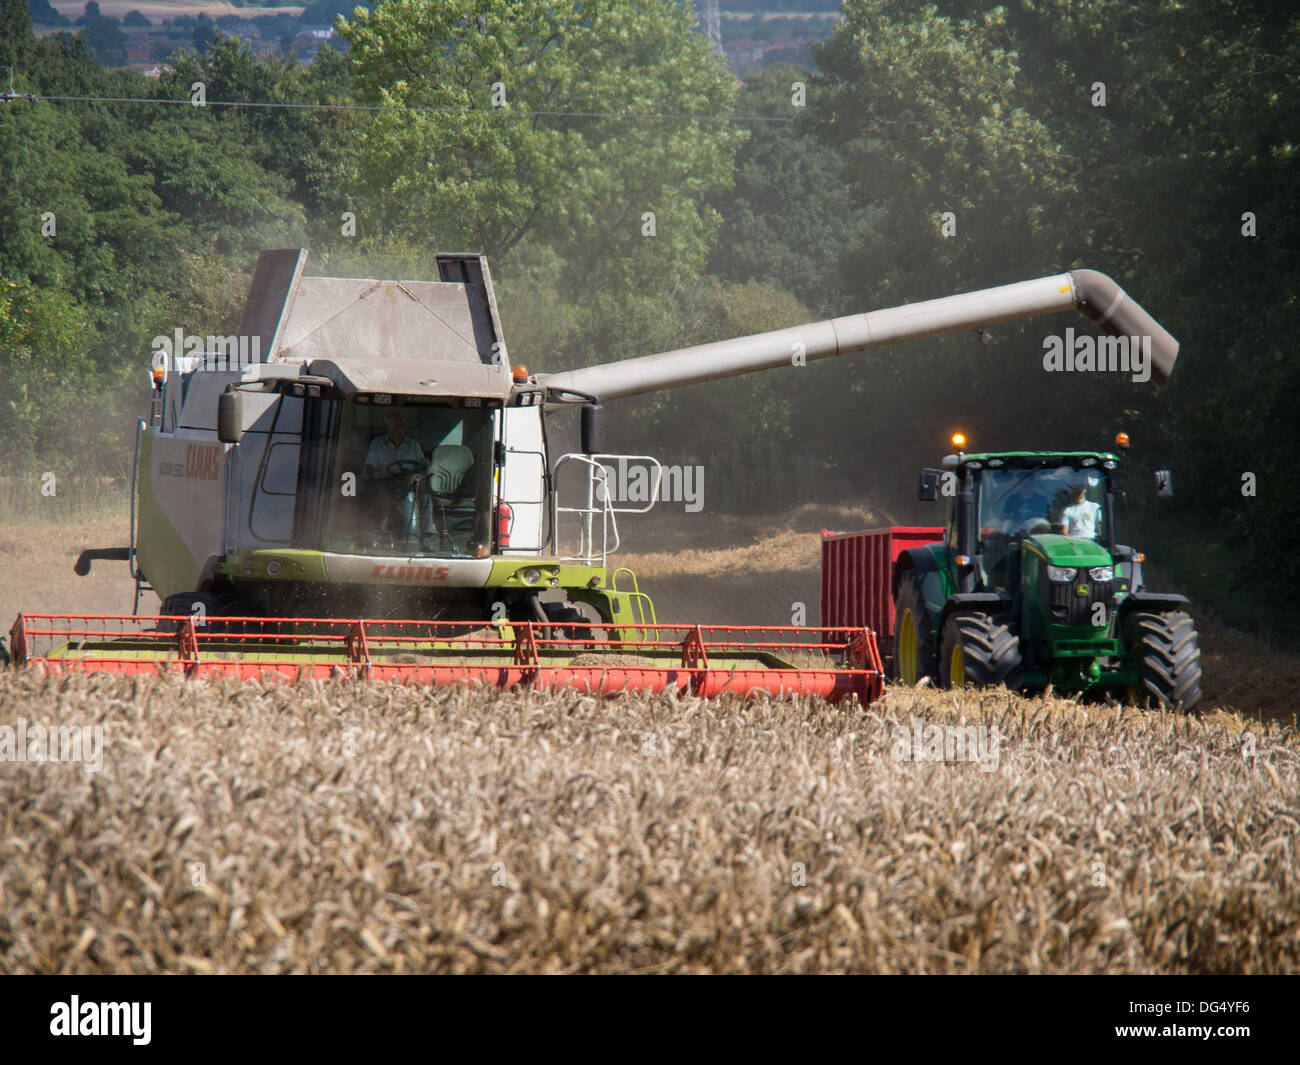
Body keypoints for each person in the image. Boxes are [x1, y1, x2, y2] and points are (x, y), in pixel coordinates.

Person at [364, 412, 431, 544]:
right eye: (395, 425)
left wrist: (421, 472)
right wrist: (374, 479)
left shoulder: (414, 445)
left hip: (408, 483)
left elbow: (423, 466)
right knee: (406, 498)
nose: (398, 428)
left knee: (426, 496)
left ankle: (428, 534)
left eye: (401, 425)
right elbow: (369, 468)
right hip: (385, 484)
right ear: (387, 427)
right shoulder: (377, 444)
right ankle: (404, 537)